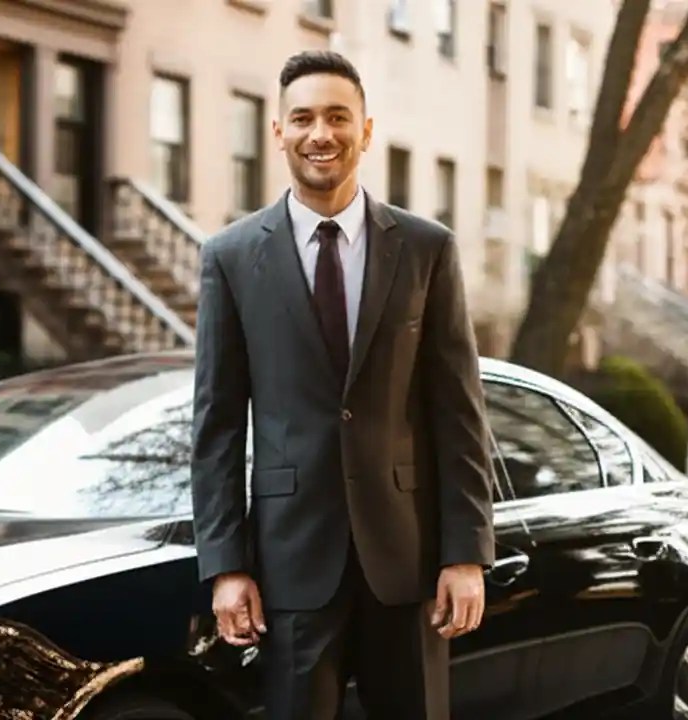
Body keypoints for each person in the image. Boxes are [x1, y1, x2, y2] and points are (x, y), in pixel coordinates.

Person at [189, 50, 495, 720]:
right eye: (302, 118)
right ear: (278, 132)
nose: (320, 134)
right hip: (290, 566)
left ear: (366, 129)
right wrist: (226, 565)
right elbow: (216, 426)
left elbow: (459, 413)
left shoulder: (426, 248)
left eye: (337, 117)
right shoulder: (231, 258)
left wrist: (466, 553)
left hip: (409, 562)